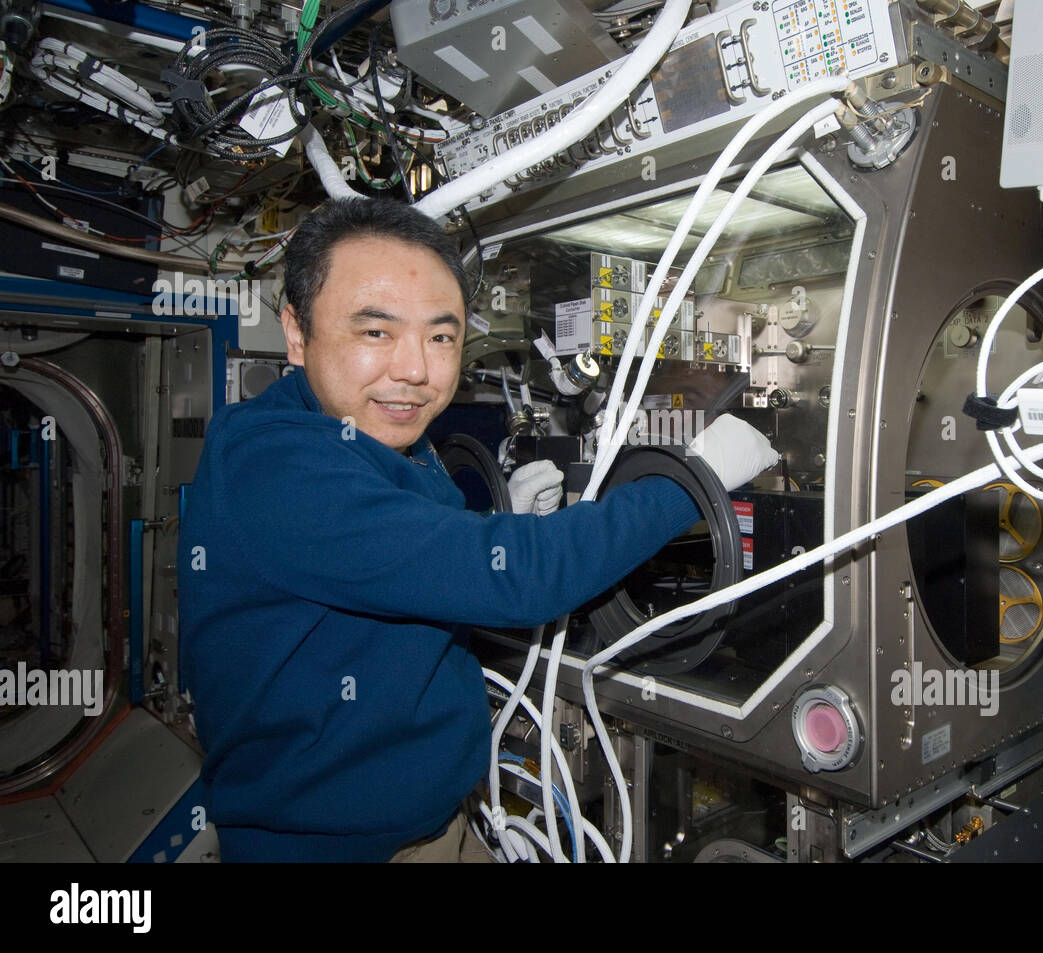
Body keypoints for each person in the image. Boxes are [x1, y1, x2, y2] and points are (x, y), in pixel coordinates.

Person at [178, 197, 777, 862]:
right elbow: (518, 579)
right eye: (375, 333)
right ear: (297, 332)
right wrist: (691, 480)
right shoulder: (274, 462)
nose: (414, 370)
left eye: (441, 336)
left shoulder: (381, 432)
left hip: (432, 821)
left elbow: (406, 558)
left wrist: (495, 527)